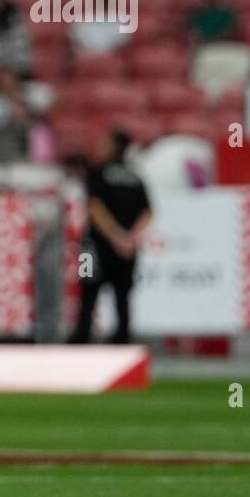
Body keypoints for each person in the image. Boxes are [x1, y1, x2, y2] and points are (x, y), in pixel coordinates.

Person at [68, 128, 152, 344]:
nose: (100, 147)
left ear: (115, 146)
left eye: (105, 143)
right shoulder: (136, 176)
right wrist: (130, 238)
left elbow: (94, 208)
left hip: (93, 246)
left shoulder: (98, 173)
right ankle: (122, 338)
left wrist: (115, 236)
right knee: (122, 295)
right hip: (127, 249)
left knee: (88, 290)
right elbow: (147, 212)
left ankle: (82, 336)